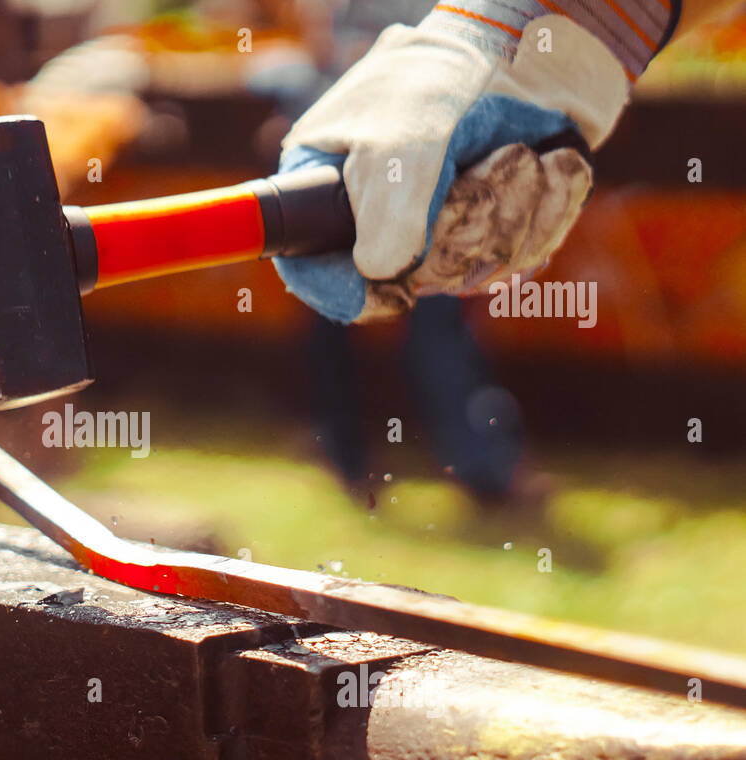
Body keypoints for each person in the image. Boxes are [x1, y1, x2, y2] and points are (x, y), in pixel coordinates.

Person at [278, 1, 738, 500]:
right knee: (336, 309)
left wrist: (499, 29)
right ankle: (348, 458)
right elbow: (310, 24)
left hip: (442, 133)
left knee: (436, 313)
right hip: (363, 131)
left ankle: (481, 467)